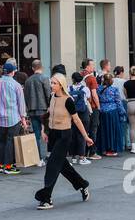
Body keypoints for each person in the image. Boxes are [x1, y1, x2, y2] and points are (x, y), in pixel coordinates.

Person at [35, 74, 93, 210]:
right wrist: (44, 130)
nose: (52, 85)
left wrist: (86, 137)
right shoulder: (52, 97)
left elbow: (77, 120)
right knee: (62, 166)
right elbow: (48, 114)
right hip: (54, 134)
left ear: (61, 84)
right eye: (51, 83)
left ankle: (46, 198)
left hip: (65, 135)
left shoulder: (68, 100)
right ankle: (82, 184)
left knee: (52, 165)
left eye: (54, 83)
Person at [0, 62, 29, 174]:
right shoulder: (16, 85)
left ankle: (0, 164)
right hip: (13, 117)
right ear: (12, 72)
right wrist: (23, 119)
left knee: (1, 140)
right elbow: (21, 104)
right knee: (10, 141)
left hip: (0, 117)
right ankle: (8, 166)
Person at [23, 60, 51, 164]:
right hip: (43, 110)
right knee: (45, 133)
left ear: (32, 68)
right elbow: (48, 94)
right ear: (41, 67)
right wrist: (49, 105)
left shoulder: (28, 80)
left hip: (32, 110)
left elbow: (26, 96)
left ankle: (39, 158)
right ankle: (44, 156)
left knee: (36, 134)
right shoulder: (44, 78)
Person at [97, 74, 125, 157]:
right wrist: (122, 112)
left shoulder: (99, 89)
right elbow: (118, 102)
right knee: (112, 131)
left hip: (102, 111)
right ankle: (112, 150)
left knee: (103, 131)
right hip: (113, 112)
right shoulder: (114, 89)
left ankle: (104, 149)